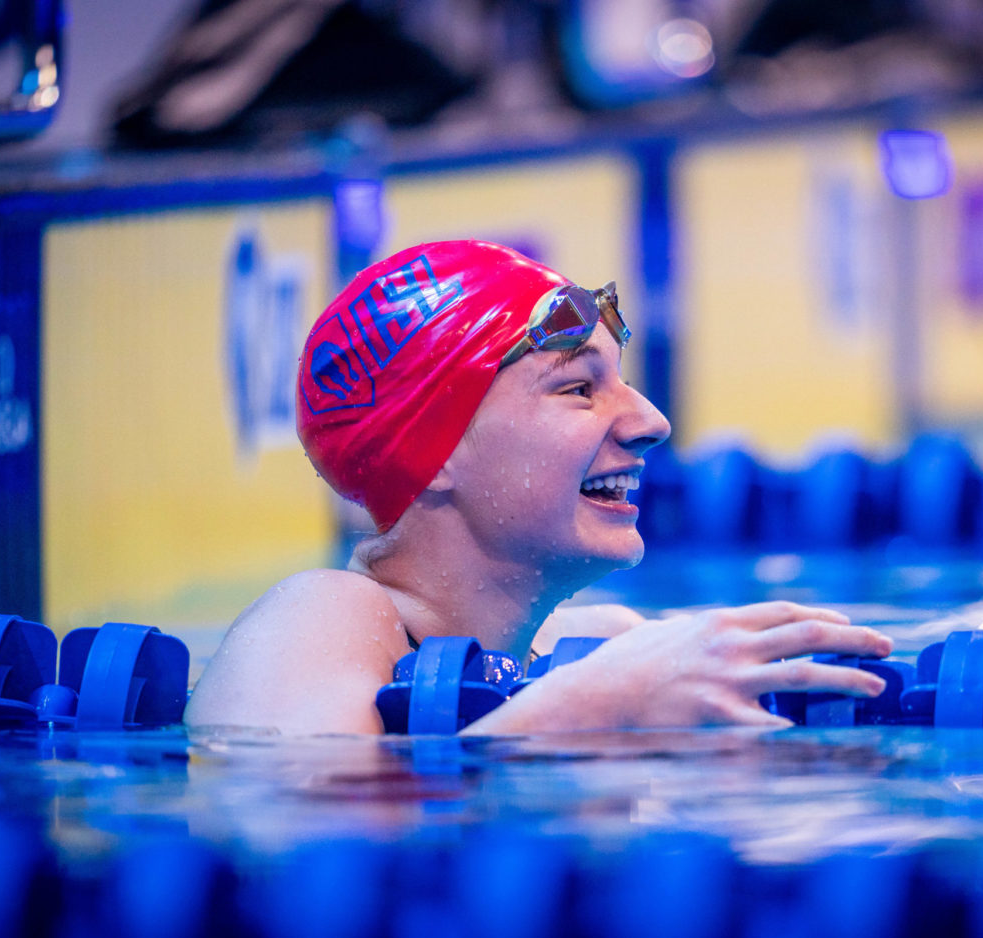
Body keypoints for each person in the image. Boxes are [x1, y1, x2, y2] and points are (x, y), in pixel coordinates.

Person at [185, 240, 892, 735]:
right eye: (581, 389)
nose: (651, 421)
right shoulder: (322, 619)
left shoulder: (596, 643)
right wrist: (598, 705)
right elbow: (297, 845)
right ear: (435, 454)